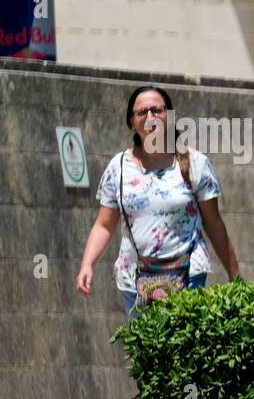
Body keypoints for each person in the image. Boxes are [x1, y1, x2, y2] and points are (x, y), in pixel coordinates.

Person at [76, 86, 241, 318]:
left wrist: (234, 274)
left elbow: (214, 224)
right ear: (131, 122)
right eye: (142, 112)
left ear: (169, 116)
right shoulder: (119, 167)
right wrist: (87, 264)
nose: (150, 117)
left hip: (188, 273)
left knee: (182, 349)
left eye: (157, 110)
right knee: (145, 351)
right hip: (135, 278)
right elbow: (104, 225)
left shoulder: (195, 163)